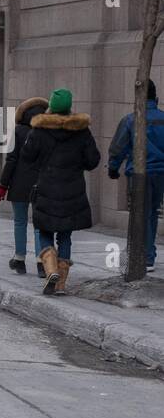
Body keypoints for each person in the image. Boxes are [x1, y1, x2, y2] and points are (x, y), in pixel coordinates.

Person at [22, 88, 100, 295]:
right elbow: (93, 161)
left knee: (44, 230)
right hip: (73, 190)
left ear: (52, 107)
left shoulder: (39, 130)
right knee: (65, 236)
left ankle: (51, 270)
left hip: (46, 188)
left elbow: (27, 157)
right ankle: (61, 284)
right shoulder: (81, 131)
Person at [106, 78, 164, 273]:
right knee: (152, 213)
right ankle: (148, 256)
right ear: (155, 97)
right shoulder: (162, 118)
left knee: (139, 214)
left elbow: (118, 148)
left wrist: (113, 169)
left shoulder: (131, 119)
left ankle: (137, 255)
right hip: (160, 174)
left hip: (139, 175)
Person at [0, 96, 49, 274]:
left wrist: (3, 185)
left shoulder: (18, 132)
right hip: (42, 183)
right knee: (39, 223)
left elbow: (10, 160)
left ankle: (19, 259)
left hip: (19, 182)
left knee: (20, 221)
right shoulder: (47, 132)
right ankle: (41, 262)